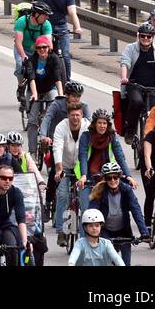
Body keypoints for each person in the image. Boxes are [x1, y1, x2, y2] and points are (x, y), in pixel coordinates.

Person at [118, 23, 155, 145]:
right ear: (139, 36)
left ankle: (154, 136)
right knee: (137, 102)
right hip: (135, 85)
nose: (145, 39)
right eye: (143, 36)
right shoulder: (130, 48)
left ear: (153, 37)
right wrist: (124, 78)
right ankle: (131, 129)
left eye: (149, 37)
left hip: (154, 87)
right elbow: (125, 63)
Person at [87, 161, 149, 265]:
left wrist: (144, 232)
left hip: (123, 231)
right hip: (105, 230)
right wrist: (92, 233)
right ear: (105, 179)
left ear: (119, 177)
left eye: (115, 177)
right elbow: (92, 214)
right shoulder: (99, 191)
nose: (112, 180)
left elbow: (136, 210)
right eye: (109, 178)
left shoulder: (127, 190)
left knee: (125, 263)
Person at [77, 109, 133, 213]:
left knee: (110, 208)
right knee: (86, 210)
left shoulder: (111, 137)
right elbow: (83, 156)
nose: (102, 126)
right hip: (88, 175)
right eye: (99, 123)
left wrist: (128, 176)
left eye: (104, 123)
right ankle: (82, 229)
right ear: (94, 124)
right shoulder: (86, 136)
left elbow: (120, 156)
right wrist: (83, 175)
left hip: (106, 175)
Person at [51, 102, 86, 247]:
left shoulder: (87, 127)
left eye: (78, 115)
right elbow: (57, 147)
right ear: (68, 116)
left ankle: (85, 232)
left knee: (85, 198)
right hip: (64, 166)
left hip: (80, 167)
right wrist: (59, 169)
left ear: (82, 116)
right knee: (63, 194)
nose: (75, 118)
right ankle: (61, 231)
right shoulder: (61, 127)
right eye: (72, 115)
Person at [22, 35, 64, 153]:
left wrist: (61, 95)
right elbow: (31, 78)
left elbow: (58, 77)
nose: (42, 50)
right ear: (36, 49)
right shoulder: (32, 60)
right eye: (39, 48)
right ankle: (33, 151)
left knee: (53, 116)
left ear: (48, 48)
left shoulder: (54, 59)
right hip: (33, 89)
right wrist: (34, 94)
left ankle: (50, 142)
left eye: (44, 47)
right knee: (32, 121)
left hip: (49, 88)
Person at [38, 0, 81, 78]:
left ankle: (67, 80)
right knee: (46, 53)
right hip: (48, 27)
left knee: (65, 55)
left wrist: (77, 27)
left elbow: (72, 12)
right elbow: (40, 14)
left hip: (62, 27)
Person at [12, 0, 53, 77]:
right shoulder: (22, 21)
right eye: (45, 15)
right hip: (22, 48)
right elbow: (18, 42)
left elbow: (49, 42)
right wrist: (23, 56)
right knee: (20, 65)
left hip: (38, 50)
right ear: (36, 14)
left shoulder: (46, 24)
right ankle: (20, 85)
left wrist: (48, 56)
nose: (47, 17)